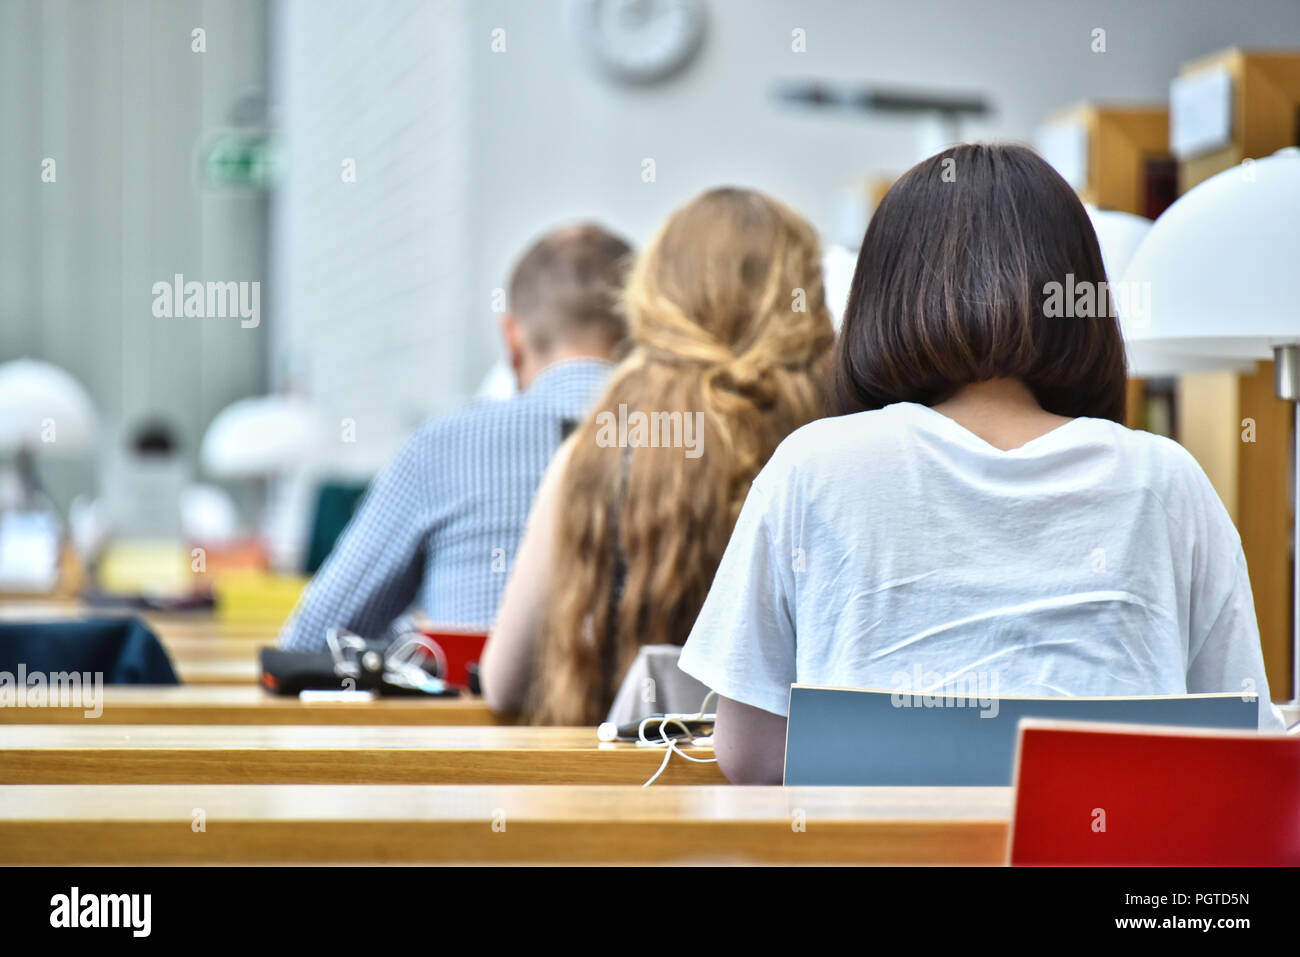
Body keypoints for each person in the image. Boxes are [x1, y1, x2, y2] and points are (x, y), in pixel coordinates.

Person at [677, 144, 1286, 784]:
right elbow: (1241, 745)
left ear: (881, 295)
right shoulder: (1166, 480)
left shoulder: (812, 467)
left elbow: (747, 755)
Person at [481, 187, 835, 724]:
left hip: (612, 790)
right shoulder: (833, 440)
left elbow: (503, 684)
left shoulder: (600, 448)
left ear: (654, 291)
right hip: (784, 794)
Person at [278, 224, 633, 651]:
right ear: (640, 336)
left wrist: (414, 637)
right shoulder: (696, 445)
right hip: (654, 719)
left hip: (475, 715)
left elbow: (312, 639)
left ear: (512, 339)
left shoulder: (442, 446)